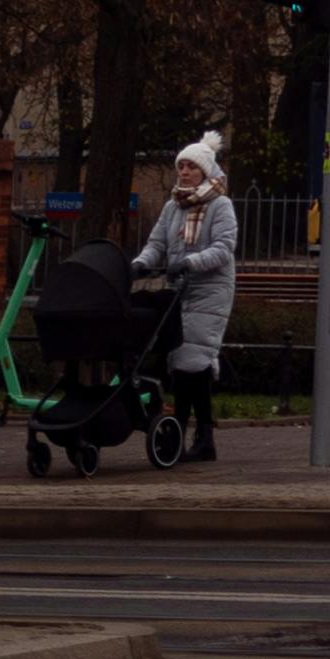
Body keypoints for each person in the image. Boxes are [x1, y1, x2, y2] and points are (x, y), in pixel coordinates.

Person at [132, 131, 237, 461]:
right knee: (179, 360)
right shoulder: (172, 207)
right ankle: (186, 433)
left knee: (195, 358)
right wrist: (140, 264)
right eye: (181, 166)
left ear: (205, 170)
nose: (185, 172)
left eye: (192, 167)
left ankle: (200, 434)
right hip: (180, 288)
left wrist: (190, 262)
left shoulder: (220, 205)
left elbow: (224, 248)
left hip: (211, 289)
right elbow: (157, 244)